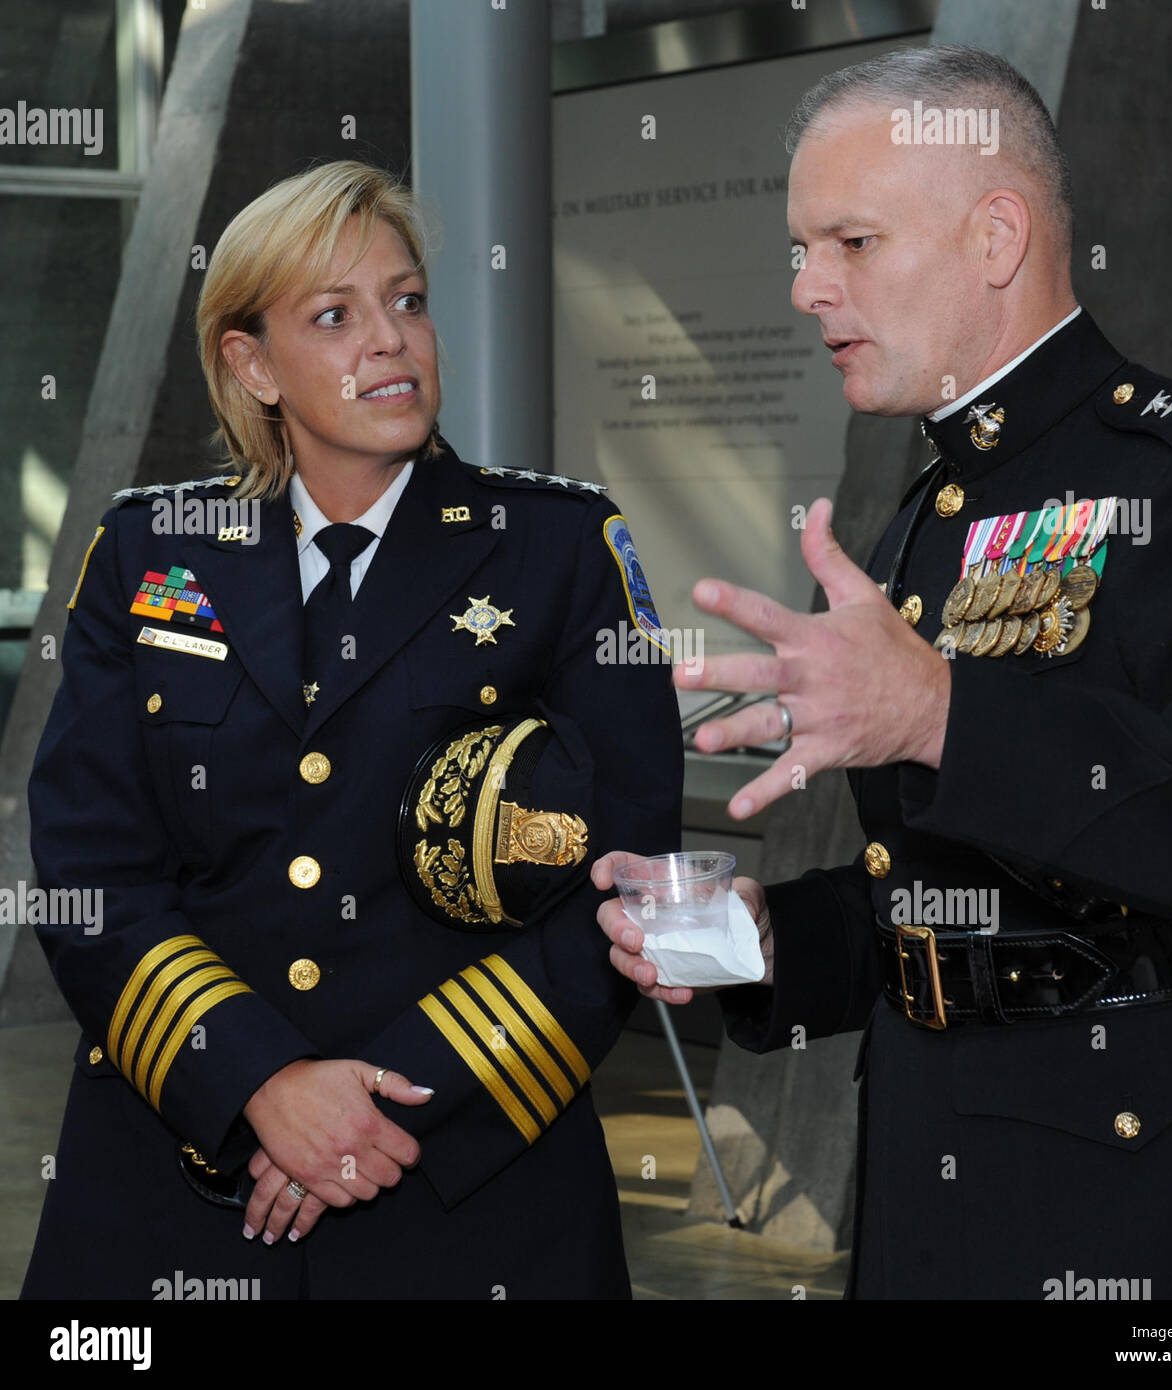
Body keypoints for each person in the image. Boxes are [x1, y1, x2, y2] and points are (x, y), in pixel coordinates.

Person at [596, 46, 1172, 1300]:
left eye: (851, 242)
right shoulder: (926, 512)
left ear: (995, 236)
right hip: (931, 1177)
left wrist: (937, 711)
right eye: (800, 249)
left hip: (1142, 1199)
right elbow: (938, 901)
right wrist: (761, 942)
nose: (809, 288)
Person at [22, 160, 682, 1299]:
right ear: (252, 363)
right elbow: (91, 872)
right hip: (179, 1185)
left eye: (408, 301)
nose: (390, 339)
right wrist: (258, 1083)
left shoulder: (558, 550)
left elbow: (620, 878)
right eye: (335, 315)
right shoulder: (150, 554)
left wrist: (378, 1103)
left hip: (465, 1190)